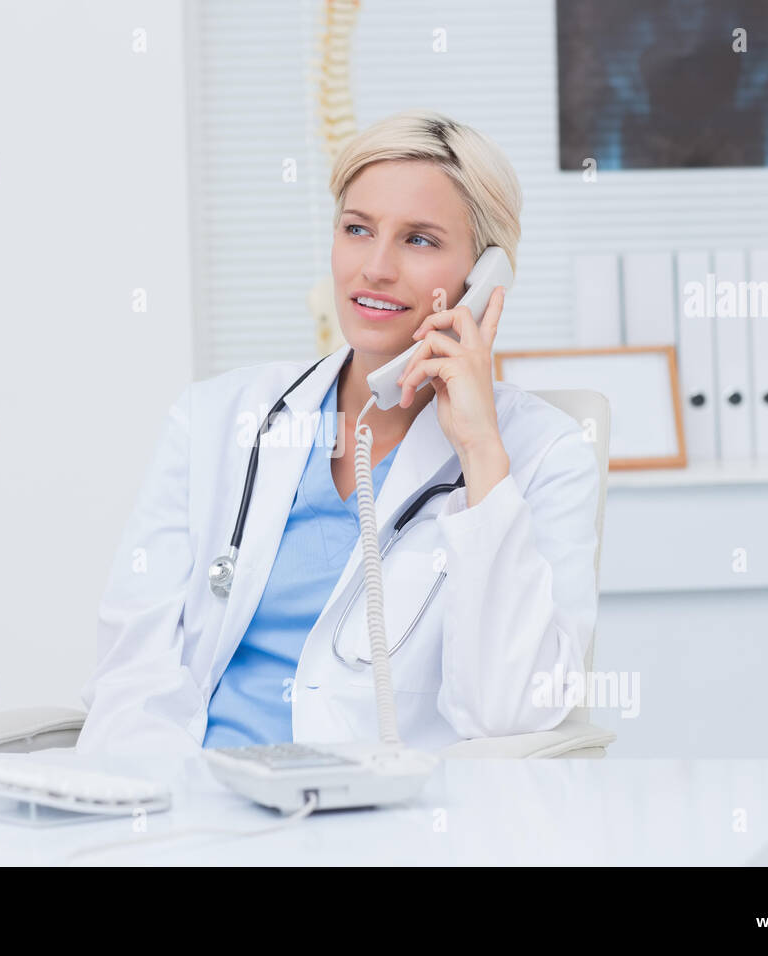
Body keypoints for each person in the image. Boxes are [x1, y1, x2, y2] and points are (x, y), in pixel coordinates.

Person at [76, 109, 600, 756]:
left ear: (485, 277)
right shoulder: (213, 420)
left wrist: (481, 453)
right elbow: (134, 676)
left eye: (420, 240)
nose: (375, 268)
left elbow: (509, 713)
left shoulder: (543, 455)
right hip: (194, 811)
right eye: (357, 229)